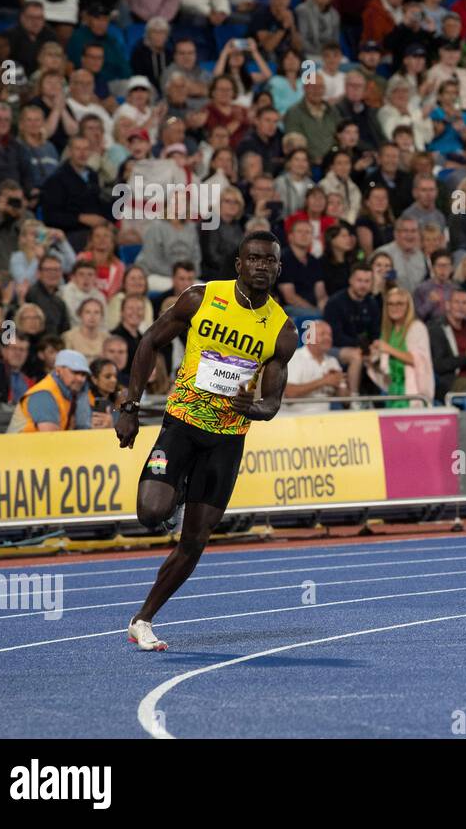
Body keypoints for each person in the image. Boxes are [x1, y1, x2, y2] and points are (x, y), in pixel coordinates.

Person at [115, 231, 298, 651]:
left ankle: (142, 619)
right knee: (150, 513)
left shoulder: (282, 330)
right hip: (181, 424)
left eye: (269, 261)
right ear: (238, 264)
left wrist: (249, 407)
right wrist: (130, 407)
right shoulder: (201, 298)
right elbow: (150, 342)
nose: (261, 266)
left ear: (278, 268)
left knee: (195, 542)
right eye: (253, 258)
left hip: (227, 440)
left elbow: (270, 404)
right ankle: (176, 489)